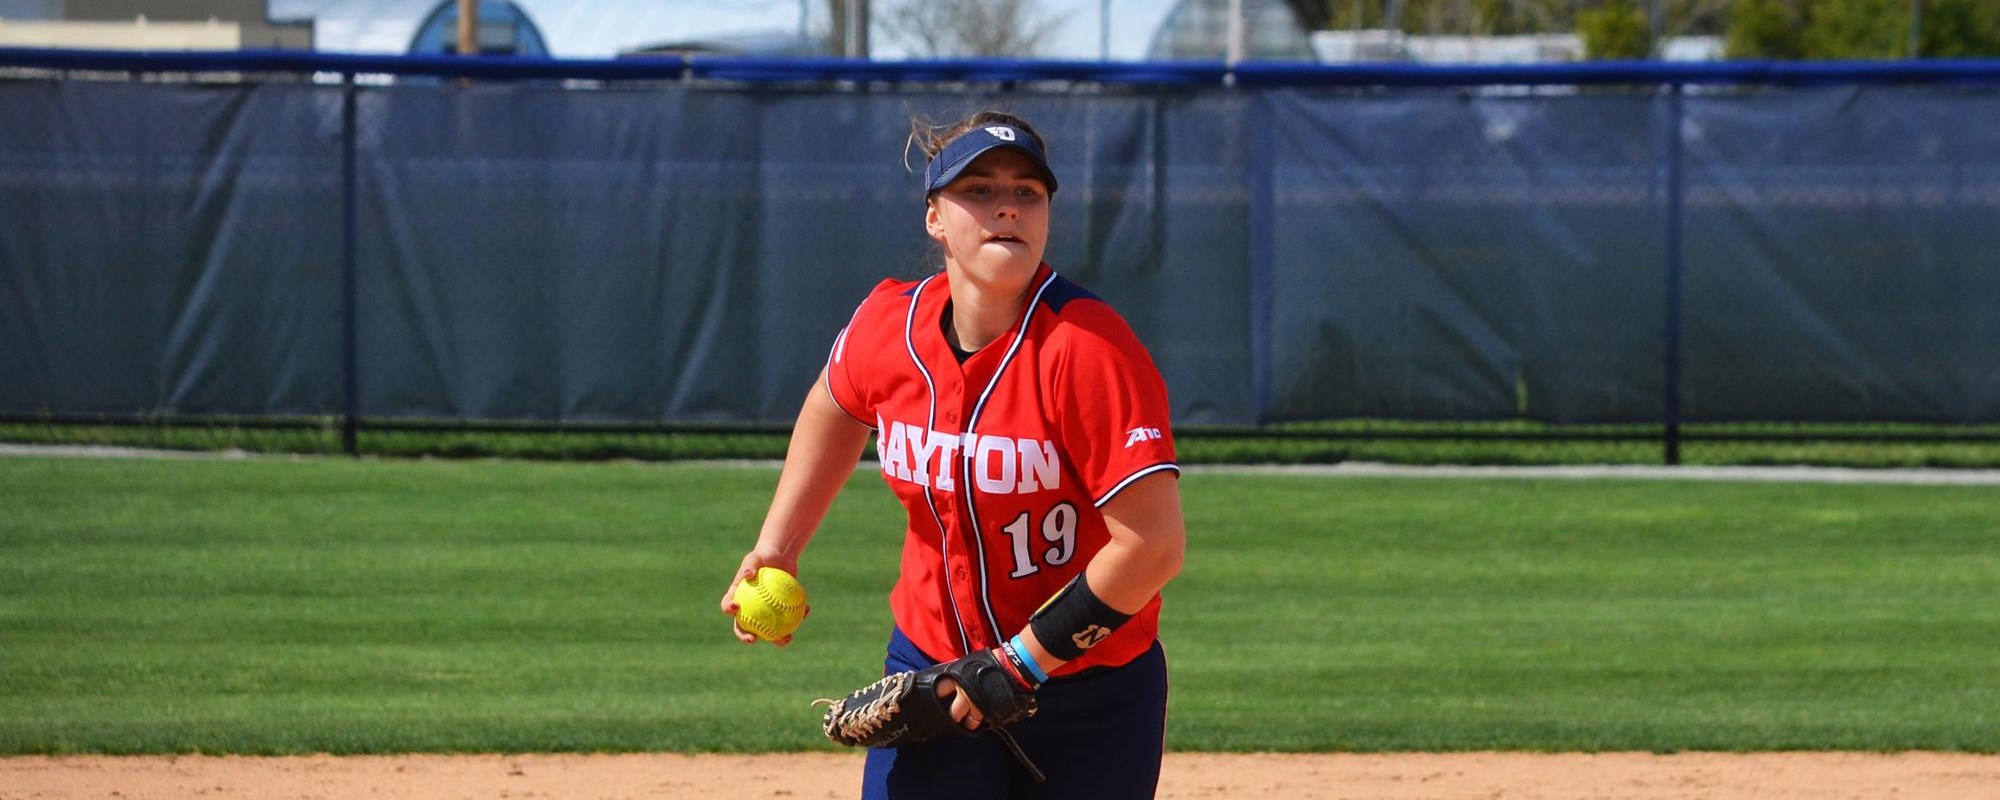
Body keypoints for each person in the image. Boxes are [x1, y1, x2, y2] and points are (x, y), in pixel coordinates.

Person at [720, 110, 1187, 800]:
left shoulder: (1088, 350)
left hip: (1090, 692)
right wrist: (778, 546)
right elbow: (833, 406)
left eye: (1028, 192)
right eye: (977, 190)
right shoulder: (889, 325)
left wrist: (1016, 666)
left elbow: (1152, 547)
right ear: (934, 217)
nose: (1006, 205)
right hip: (935, 675)